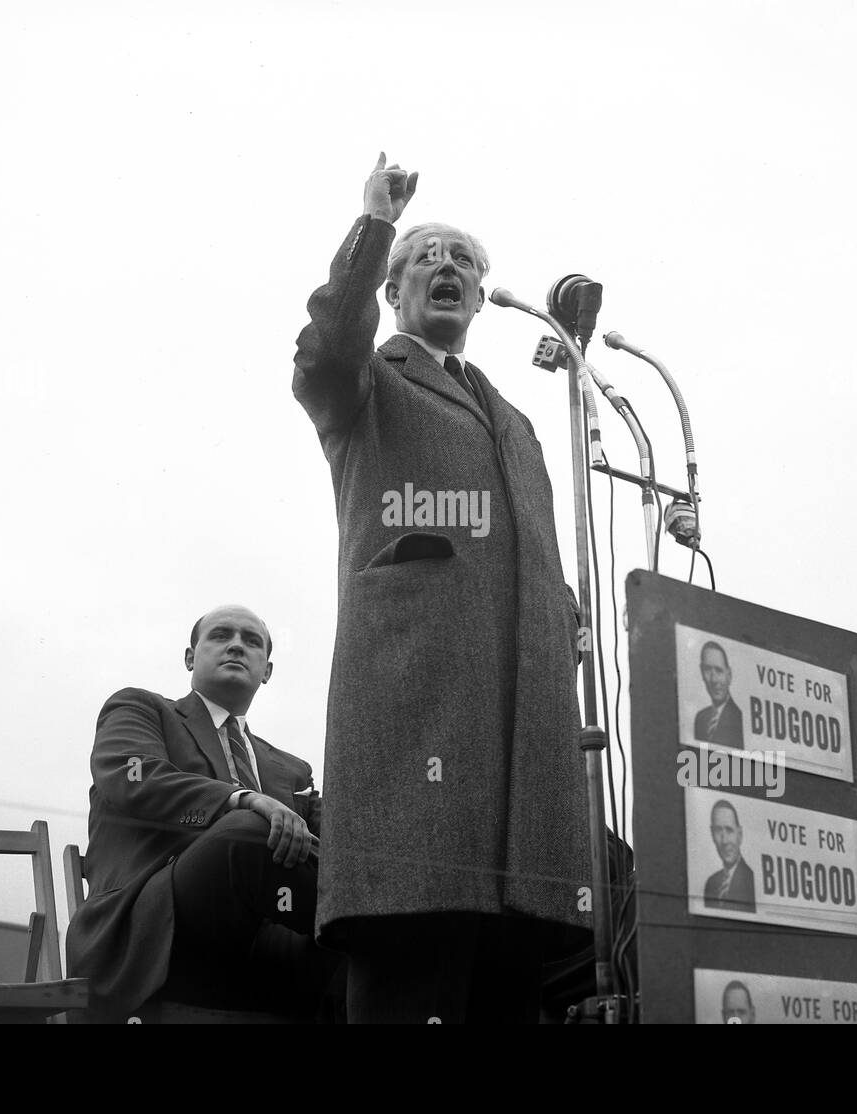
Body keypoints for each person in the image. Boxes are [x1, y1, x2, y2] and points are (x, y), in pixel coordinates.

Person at [292, 154, 590, 1023]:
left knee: (508, 988)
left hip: (521, 765)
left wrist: (566, 620)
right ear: (391, 293)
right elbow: (325, 347)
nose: (447, 267)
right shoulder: (369, 382)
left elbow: (534, 555)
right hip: (413, 725)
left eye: (463, 259)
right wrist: (376, 225)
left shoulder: (517, 422)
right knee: (412, 971)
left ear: (482, 296)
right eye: (427, 258)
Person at [66, 604, 333, 1020]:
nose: (236, 646)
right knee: (249, 830)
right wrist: (244, 798)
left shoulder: (292, 768)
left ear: (266, 671)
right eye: (221, 635)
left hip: (267, 952)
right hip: (158, 933)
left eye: (251, 641)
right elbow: (133, 778)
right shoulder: (140, 709)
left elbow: (339, 837)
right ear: (190, 658)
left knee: (370, 942)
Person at [703, 799, 756, 913]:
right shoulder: (711, 884)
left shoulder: (753, 881)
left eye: (729, 830)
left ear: (739, 835)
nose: (724, 840)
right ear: (712, 835)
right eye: (718, 831)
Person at [693, 641, 745, 748]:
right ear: (701, 672)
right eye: (708, 670)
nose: (714, 679)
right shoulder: (700, 718)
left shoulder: (741, 719)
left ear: (729, 675)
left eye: (719, 670)